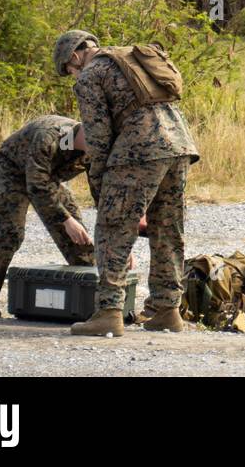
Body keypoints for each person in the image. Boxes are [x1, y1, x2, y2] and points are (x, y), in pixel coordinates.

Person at [52, 30, 199, 336]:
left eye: (69, 70)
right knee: (167, 228)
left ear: (75, 56)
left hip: (139, 150)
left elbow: (97, 136)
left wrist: (99, 183)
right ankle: (167, 310)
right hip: (179, 145)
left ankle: (108, 313)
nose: (73, 75)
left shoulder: (90, 74)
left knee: (113, 228)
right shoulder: (128, 57)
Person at [0, 116, 95, 319]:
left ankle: (92, 296)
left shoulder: (96, 148)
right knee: (11, 232)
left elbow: (101, 191)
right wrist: (65, 219)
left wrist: (116, 238)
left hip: (47, 179)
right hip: (11, 172)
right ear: (85, 131)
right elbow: (37, 187)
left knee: (78, 235)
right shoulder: (48, 137)